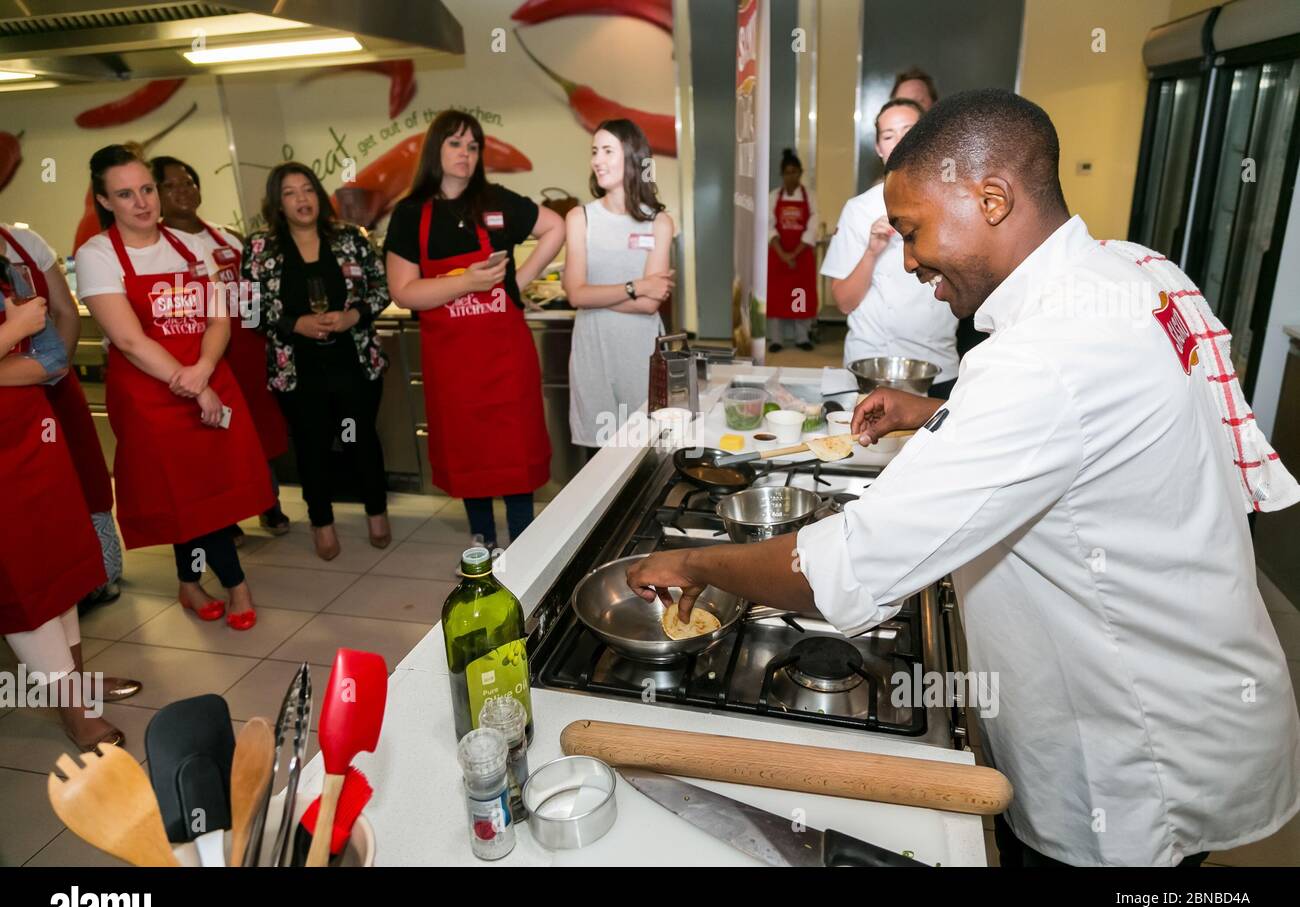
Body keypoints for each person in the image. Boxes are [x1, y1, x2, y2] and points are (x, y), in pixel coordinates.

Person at [626, 89, 1300, 867]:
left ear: (991, 198)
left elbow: (843, 568)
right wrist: (934, 407)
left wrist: (693, 562)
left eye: (913, 232)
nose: (908, 263)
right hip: (1181, 683)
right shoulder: (1124, 270)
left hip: (1134, 753)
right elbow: (1079, 430)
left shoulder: (1046, 354)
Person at [76, 144, 272, 631]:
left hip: (206, 376)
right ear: (104, 201)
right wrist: (192, 385)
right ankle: (236, 586)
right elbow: (128, 338)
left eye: (147, 189)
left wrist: (204, 371)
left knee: (212, 490)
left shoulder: (193, 247)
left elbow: (219, 320)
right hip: (150, 395)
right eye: (126, 194)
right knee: (185, 493)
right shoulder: (97, 255)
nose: (142, 202)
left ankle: (188, 582)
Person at [386, 110, 564, 550]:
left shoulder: (497, 201)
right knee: (472, 457)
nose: (465, 154)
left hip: (505, 357)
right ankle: (482, 545)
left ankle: (523, 545)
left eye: (473, 146)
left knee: (515, 452)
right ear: (435, 149)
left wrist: (515, 282)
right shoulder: (411, 214)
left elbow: (555, 227)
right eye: (455, 143)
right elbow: (404, 292)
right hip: (453, 364)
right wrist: (467, 282)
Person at [0, 288, 141, 750]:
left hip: (31, 435)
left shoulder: (7, 273)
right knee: (21, 577)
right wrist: (14, 331)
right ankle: (73, 707)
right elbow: (29, 340)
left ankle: (76, 682)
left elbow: (53, 359)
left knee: (59, 564)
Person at [241, 161, 392, 561]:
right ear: (277, 203)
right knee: (311, 448)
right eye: (289, 193)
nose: (301, 199)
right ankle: (320, 521)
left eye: (307, 189)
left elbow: (382, 288)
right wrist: (296, 324)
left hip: (353, 362)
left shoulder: (350, 238)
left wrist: (352, 316)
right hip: (297, 371)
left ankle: (377, 512)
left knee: (361, 439)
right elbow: (250, 312)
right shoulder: (259, 248)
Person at [152, 155, 291, 538]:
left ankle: (268, 503)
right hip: (200, 352)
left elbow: (252, 296)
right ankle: (226, 516)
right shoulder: (158, 246)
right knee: (216, 434)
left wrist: (261, 336)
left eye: (189, 182)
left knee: (258, 429)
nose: (184, 190)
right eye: (171, 185)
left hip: (245, 348)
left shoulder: (226, 235)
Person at [0, 221, 124, 611]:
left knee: (82, 477)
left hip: (52, 389)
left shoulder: (21, 242)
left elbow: (64, 314)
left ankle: (95, 576)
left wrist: (53, 370)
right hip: (21, 391)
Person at [822, 98, 960, 398]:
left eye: (908, 131)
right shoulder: (859, 210)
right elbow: (844, 302)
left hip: (938, 366)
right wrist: (873, 250)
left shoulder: (955, 203)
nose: (899, 142)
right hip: (871, 364)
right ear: (879, 149)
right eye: (888, 135)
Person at [562, 119, 674, 451]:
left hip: (639, 354)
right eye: (595, 151)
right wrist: (635, 286)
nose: (597, 160)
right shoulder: (579, 218)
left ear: (633, 158)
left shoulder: (660, 222)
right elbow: (574, 294)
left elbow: (650, 304)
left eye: (608, 150)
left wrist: (593, 296)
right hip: (593, 354)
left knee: (645, 453)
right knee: (599, 457)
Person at [766, 149, 818, 353]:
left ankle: (801, 337)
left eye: (795, 172)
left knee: (800, 296)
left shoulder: (810, 197)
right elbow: (769, 226)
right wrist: (783, 254)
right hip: (778, 254)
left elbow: (812, 227)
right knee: (777, 297)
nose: (792, 176)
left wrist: (794, 254)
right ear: (782, 174)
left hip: (801, 255)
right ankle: (776, 339)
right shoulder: (773, 197)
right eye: (788, 172)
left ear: (801, 173)